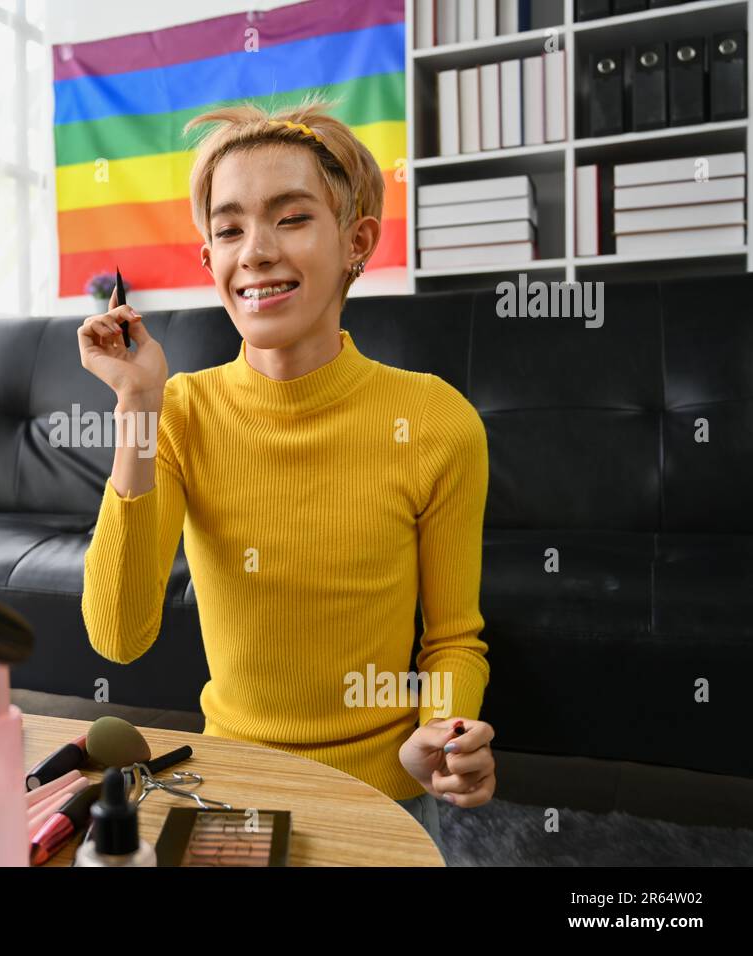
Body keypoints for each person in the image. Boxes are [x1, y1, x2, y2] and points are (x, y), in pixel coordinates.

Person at [77, 97, 497, 855]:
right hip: (231, 779)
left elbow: (454, 642)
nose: (257, 250)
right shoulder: (175, 411)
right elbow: (117, 636)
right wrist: (137, 402)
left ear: (356, 242)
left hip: (385, 789)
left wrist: (442, 731)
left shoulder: (437, 420)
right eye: (230, 229)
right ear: (211, 264)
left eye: (292, 218)